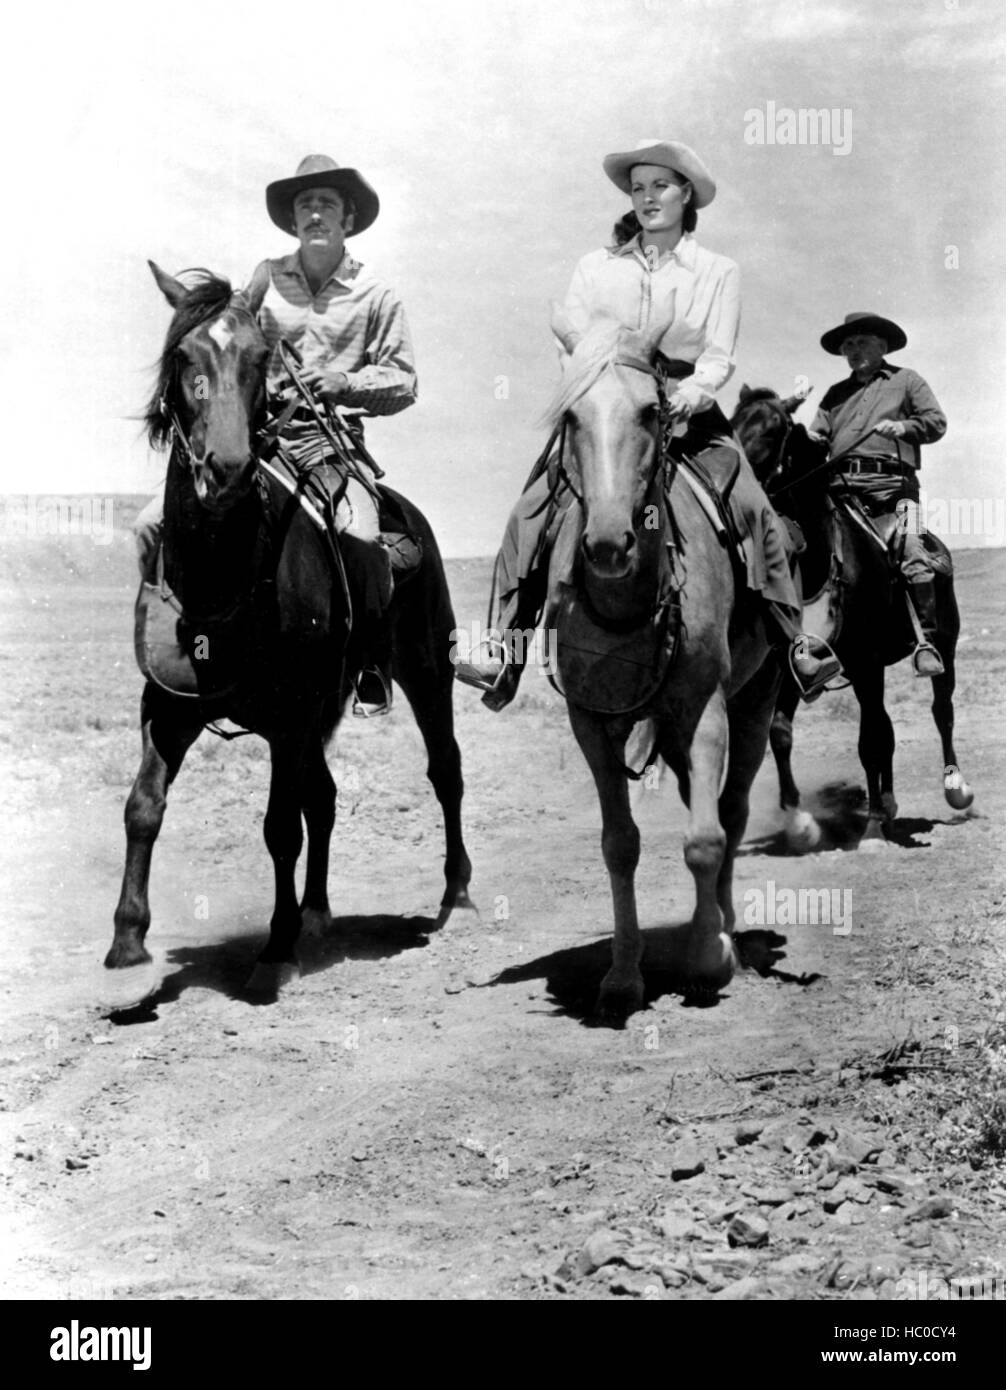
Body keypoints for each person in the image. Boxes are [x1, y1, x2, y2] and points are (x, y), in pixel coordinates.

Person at [455, 138, 841, 708]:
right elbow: (574, 348)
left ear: (687, 195)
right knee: (530, 511)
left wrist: (692, 393)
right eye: (638, 187)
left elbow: (719, 354)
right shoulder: (594, 267)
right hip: (611, 422)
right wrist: (590, 394)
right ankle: (504, 649)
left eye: (660, 185)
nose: (647, 197)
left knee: (759, 512)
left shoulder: (717, 270)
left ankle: (795, 643)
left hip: (690, 420)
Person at [135, 153, 417, 716]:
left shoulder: (377, 296)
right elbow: (226, 347)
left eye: (327, 205)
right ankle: (186, 641)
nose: (315, 214)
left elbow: (404, 381)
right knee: (148, 525)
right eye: (304, 205)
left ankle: (365, 662)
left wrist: (342, 381)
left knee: (359, 535)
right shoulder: (262, 285)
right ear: (293, 220)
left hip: (329, 445)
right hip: (259, 441)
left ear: (348, 218)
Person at [810, 312, 948, 676]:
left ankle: (926, 642)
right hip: (840, 493)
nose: (853, 351)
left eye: (860, 343)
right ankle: (809, 650)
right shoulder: (835, 394)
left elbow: (937, 423)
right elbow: (817, 437)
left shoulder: (906, 380)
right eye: (847, 346)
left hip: (897, 491)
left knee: (912, 547)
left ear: (882, 345)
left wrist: (904, 426)